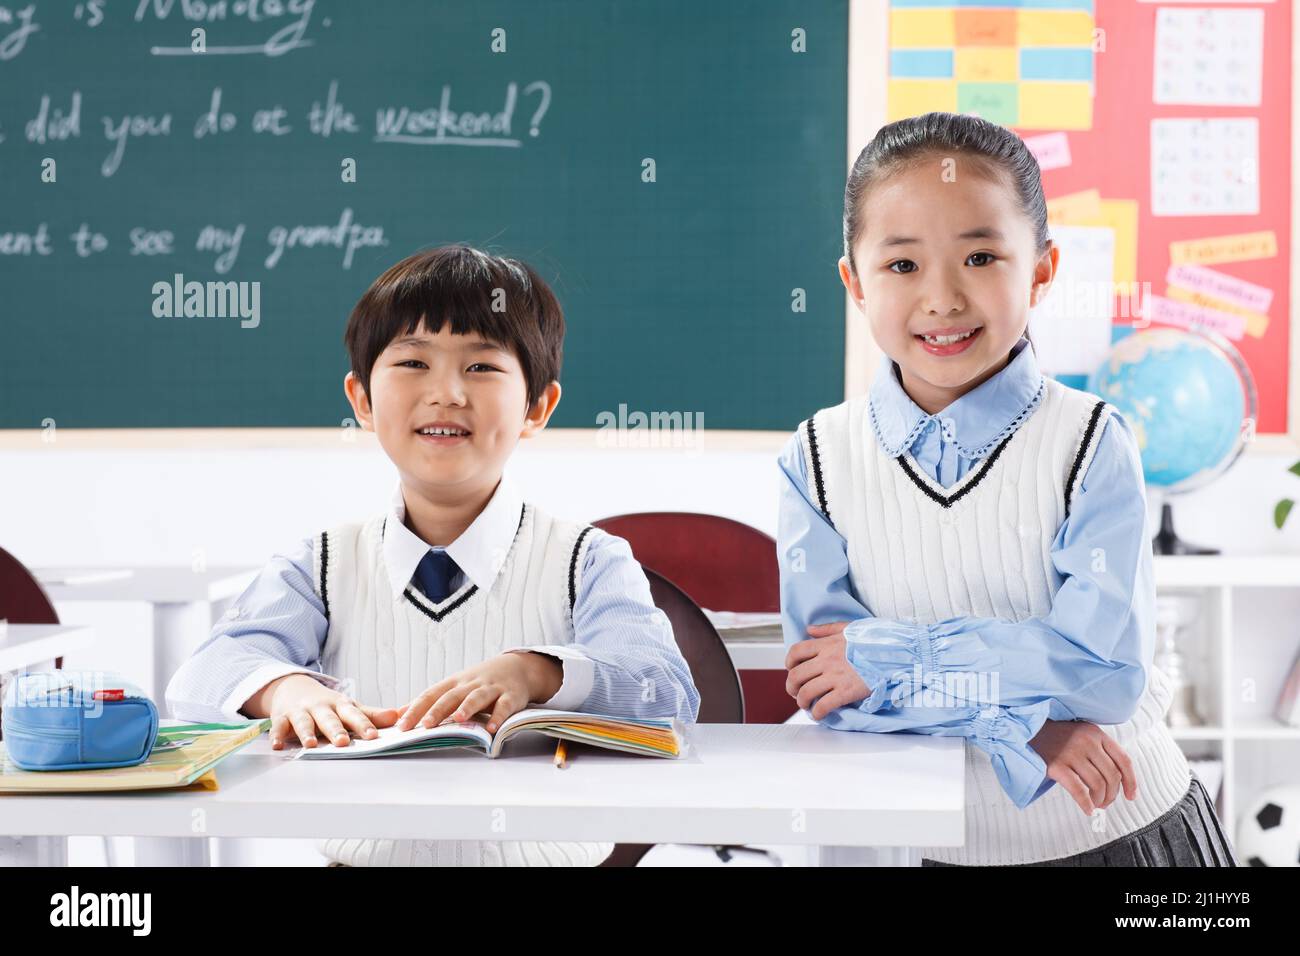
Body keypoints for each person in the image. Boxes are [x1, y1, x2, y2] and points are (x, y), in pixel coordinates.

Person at [779, 112, 1236, 866]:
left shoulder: (1091, 442)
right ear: (854, 282)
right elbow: (830, 686)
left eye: (981, 256)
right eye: (903, 265)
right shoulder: (818, 458)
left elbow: (1101, 674)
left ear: (1042, 271)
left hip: (1125, 836)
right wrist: (1021, 724)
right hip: (945, 851)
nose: (942, 298)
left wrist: (896, 654)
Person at [167, 244, 700, 866]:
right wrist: (285, 690)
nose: (446, 393)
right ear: (362, 401)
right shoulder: (322, 564)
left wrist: (537, 673)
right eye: (414, 362)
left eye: (481, 366)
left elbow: (667, 693)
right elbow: (200, 679)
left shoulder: (587, 561)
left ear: (537, 407)